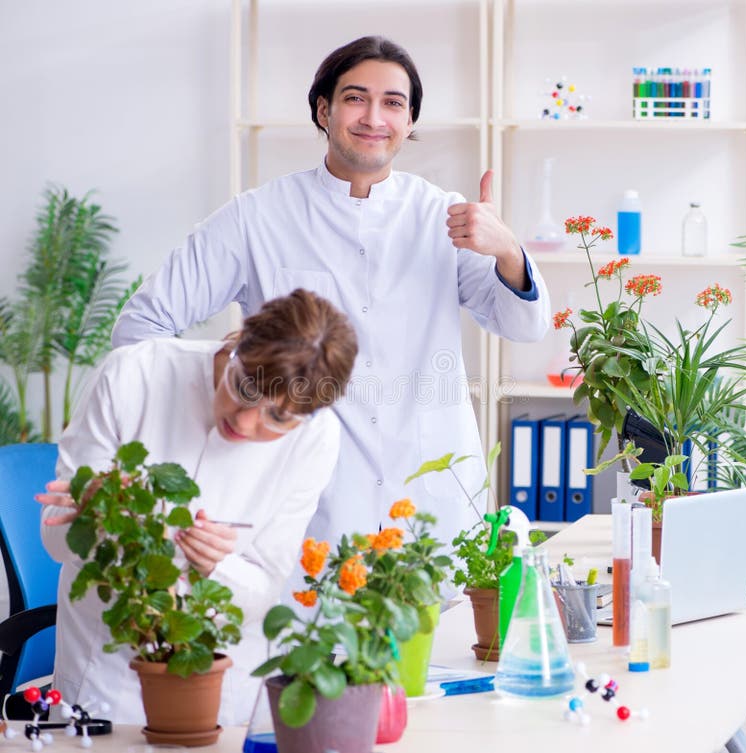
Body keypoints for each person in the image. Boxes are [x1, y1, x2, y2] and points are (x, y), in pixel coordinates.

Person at [110, 36, 550, 582]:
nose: (374, 117)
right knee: (307, 652)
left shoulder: (445, 216)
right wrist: (236, 384)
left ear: (410, 120)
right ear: (324, 109)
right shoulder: (257, 217)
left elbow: (523, 325)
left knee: (438, 660)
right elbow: (139, 329)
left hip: (432, 505)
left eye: (393, 103)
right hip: (305, 508)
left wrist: (507, 249)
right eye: (355, 98)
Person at [37, 289, 358, 725]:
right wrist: (98, 514)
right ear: (236, 340)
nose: (246, 422)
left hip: (223, 690)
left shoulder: (316, 440)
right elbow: (56, 537)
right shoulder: (133, 377)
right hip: (106, 680)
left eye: (278, 418)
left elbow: (264, 587)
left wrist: (218, 566)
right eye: (244, 387)